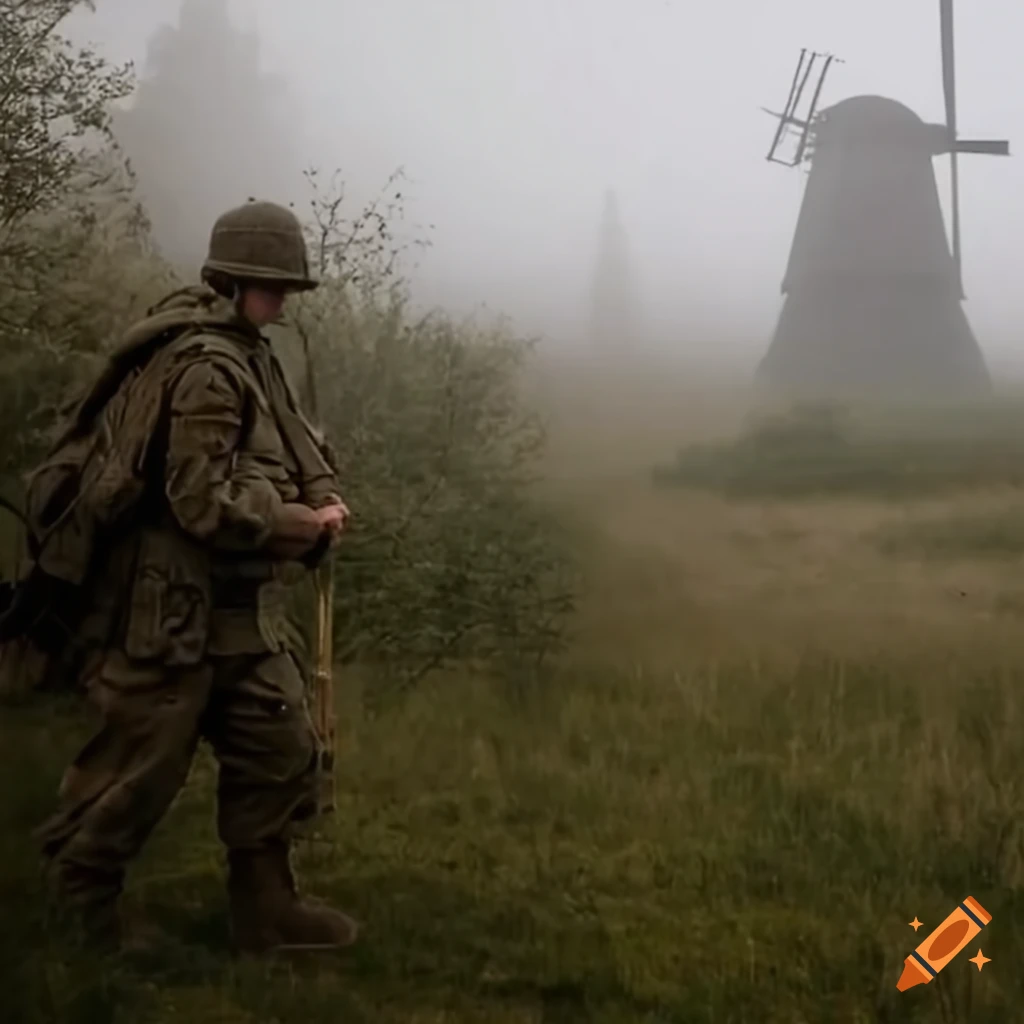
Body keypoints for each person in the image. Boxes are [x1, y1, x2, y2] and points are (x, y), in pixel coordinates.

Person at [34, 199, 358, 955]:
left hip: (236, 608)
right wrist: (300, 525)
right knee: (137, 771)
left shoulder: (249, 354)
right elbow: (199, 498)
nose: (281, 300)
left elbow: (277, 460)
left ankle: (267, 908)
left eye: (286, 287)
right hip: (170, 614)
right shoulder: (209, 371)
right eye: (269, 285)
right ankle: (78, 916)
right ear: (233, 281)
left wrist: (314, 504)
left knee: (277, 747)